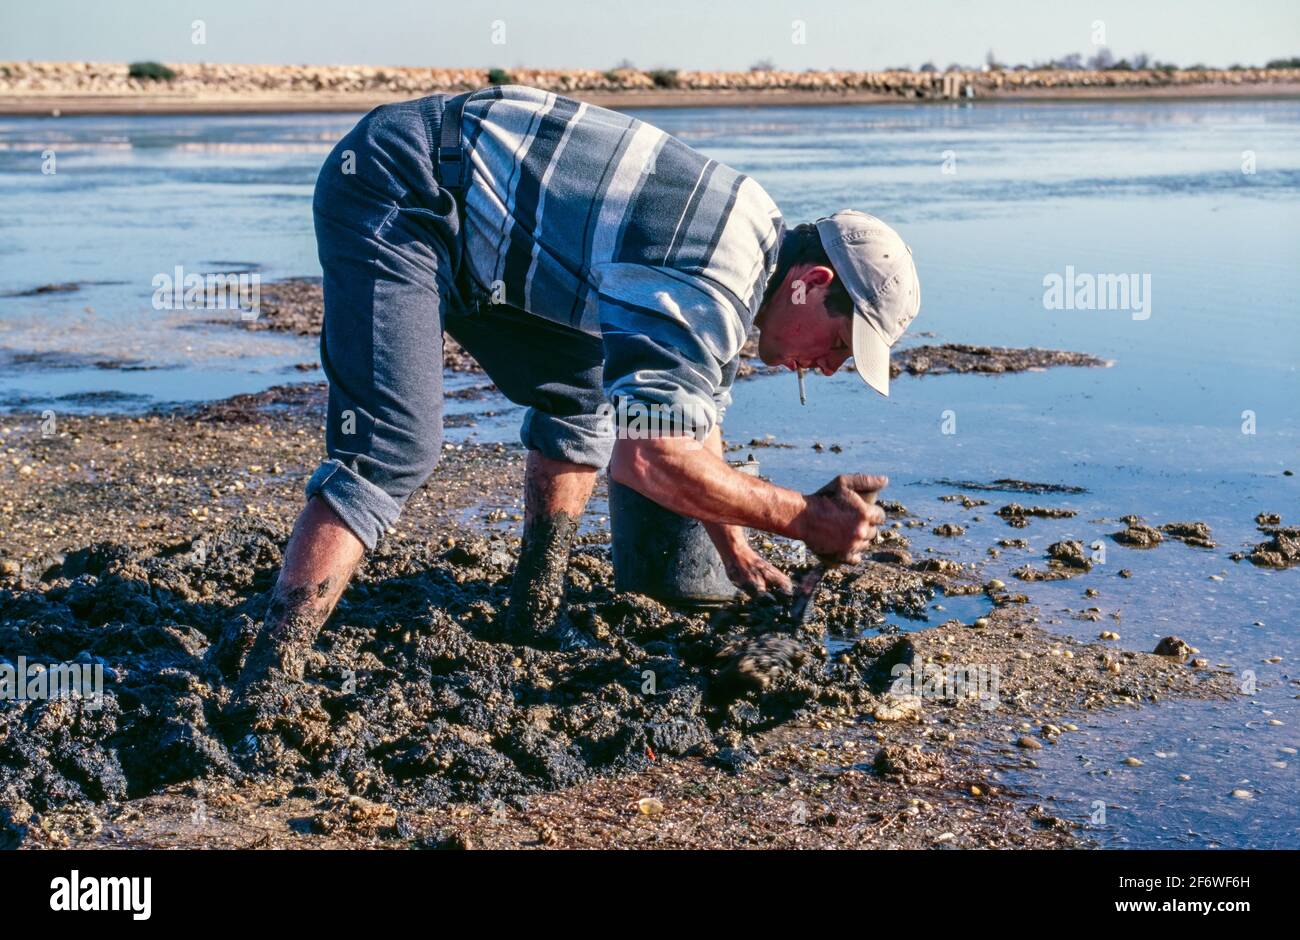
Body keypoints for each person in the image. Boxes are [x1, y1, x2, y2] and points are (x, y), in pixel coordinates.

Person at [235, 85, 921, 696]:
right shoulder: (714, 276)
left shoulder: (754, 253)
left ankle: (532, 611)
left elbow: (692, 418)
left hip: (484, 233)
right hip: (404, 186)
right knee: (394, 446)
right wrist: (801, 517)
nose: (829, 367)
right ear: (815, 283)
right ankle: (267, 676)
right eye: (839, 346)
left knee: (584, 393)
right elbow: (650, 458)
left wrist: (733, 547)